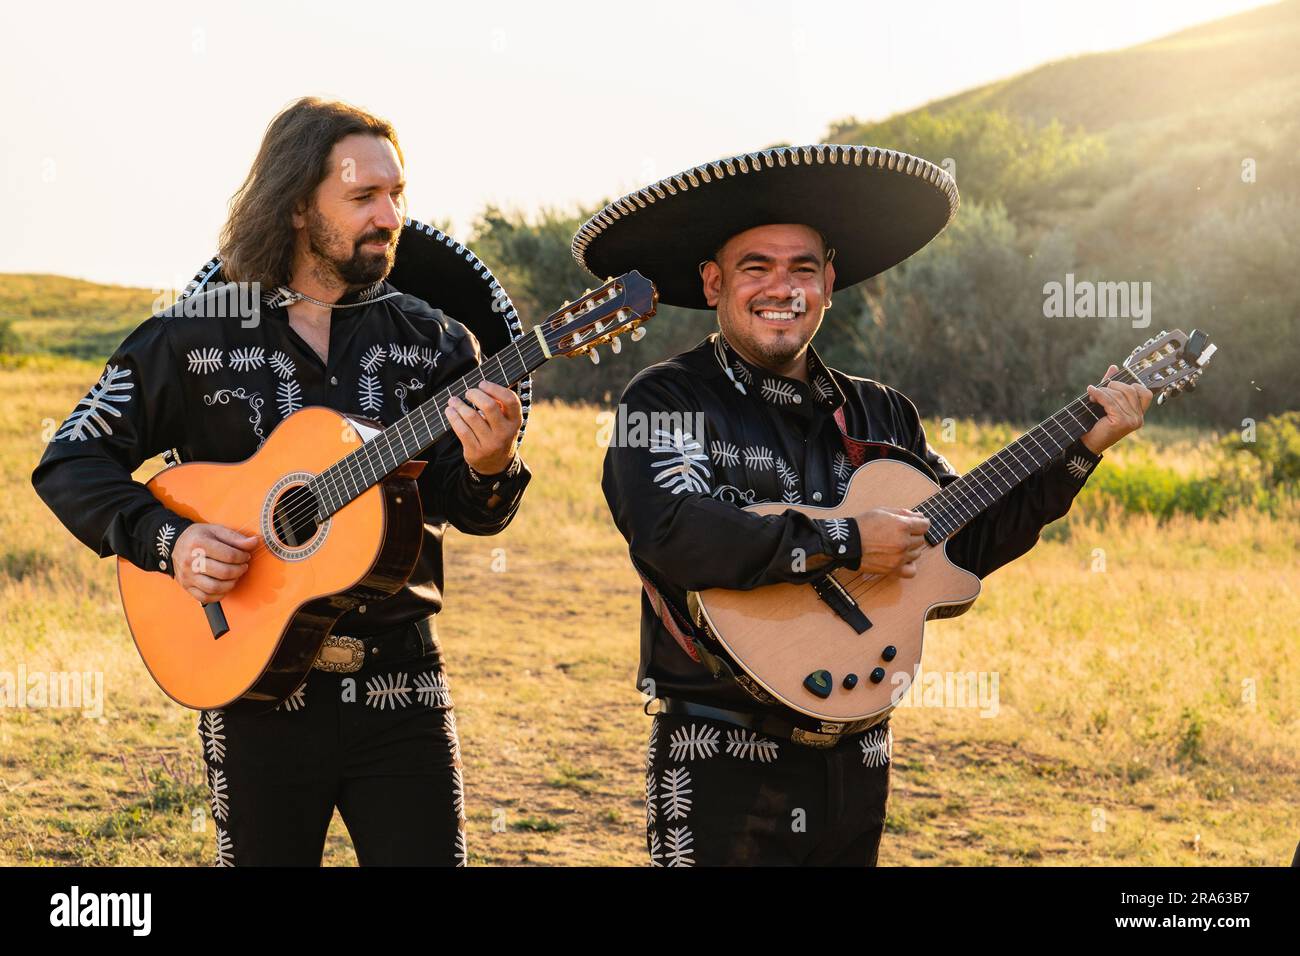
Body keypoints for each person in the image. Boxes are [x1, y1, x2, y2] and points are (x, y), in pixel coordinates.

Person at [577, 144, 1151, 866]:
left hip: (858, 755)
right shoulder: (666, 400)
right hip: (715, 750)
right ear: (714, 280)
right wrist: (844, 542)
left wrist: (1080, 450)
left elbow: (961, 547)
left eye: (804, 269)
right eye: (757, 267)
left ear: (830, 283)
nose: (781, 287)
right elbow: (674, 531)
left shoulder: (883, 414)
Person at [31, 97, 532, 866]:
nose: (389, 215)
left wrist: (493, 464)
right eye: (364, 197)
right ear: (298, 205)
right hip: (253, 686)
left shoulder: (435, 341)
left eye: (396, 195)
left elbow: (463, 508)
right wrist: (172, 540)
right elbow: (70, 458)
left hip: (401, 684)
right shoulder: (194, 336)